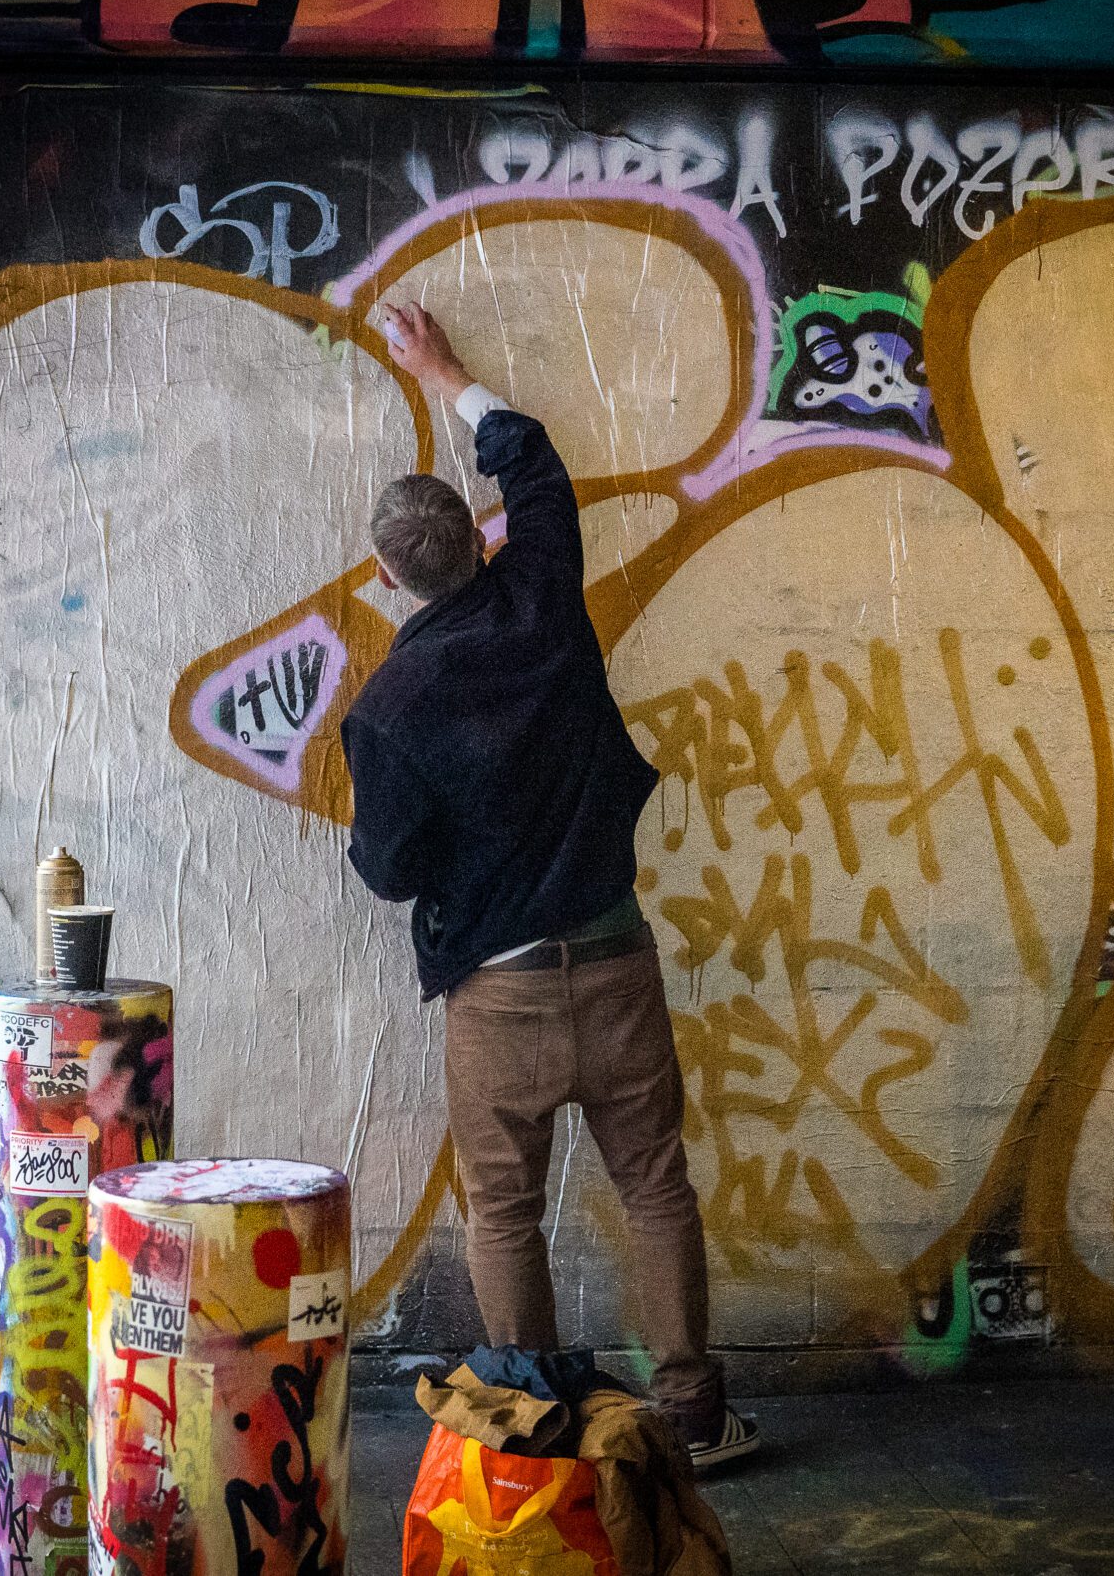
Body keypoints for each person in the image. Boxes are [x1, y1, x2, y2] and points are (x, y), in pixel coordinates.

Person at [341, 300, 759, 1471]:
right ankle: (692, 1415)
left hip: (501, 998)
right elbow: (530, 458)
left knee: (505, 1210)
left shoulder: (389, 712)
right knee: (657, 1188)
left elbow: (387, 870)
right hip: (615, 961)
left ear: (387, 576)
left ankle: (532, 1430)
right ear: (479, 538)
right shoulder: (542, 592)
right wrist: (445, 371)